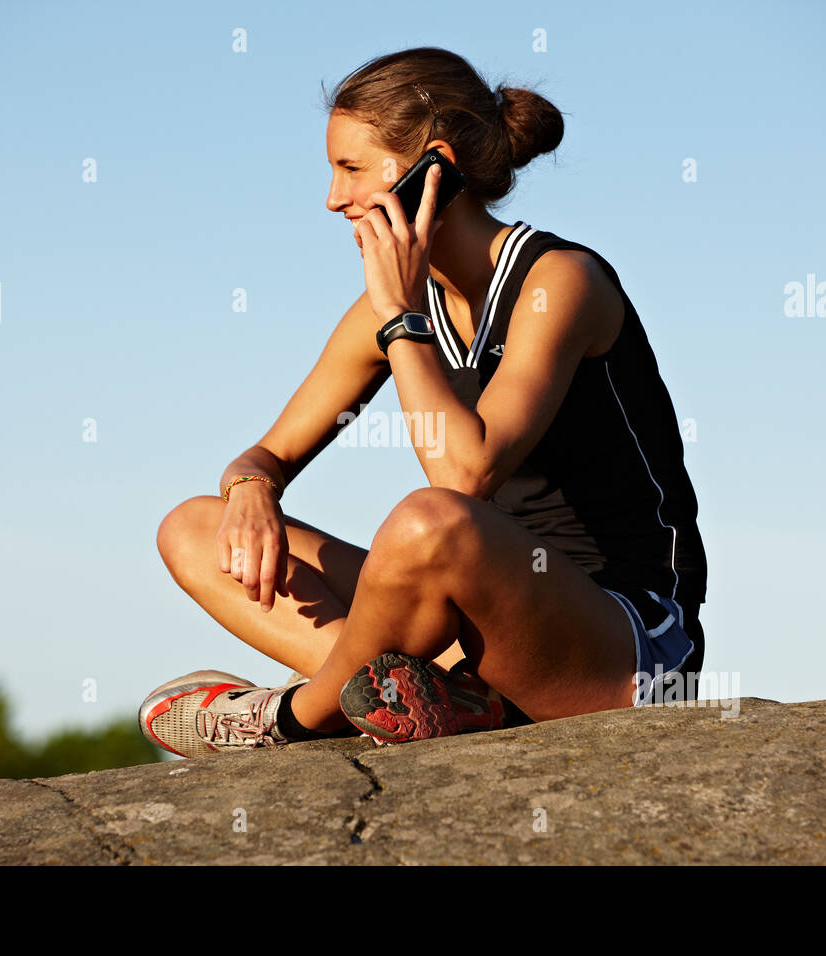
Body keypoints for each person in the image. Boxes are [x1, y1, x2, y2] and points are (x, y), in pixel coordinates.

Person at [139, 46, 708, 759]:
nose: (332, 198)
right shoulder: (394, 309)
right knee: (194, 527)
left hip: (623, 644)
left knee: (428, 523)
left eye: (351, 169)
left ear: (432, 165)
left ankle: (292, 719)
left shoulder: (559, 283)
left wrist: (402, 319)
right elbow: (269, 454)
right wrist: (253, 489)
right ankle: (435, 701)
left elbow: (465, 477)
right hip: (481, 642)